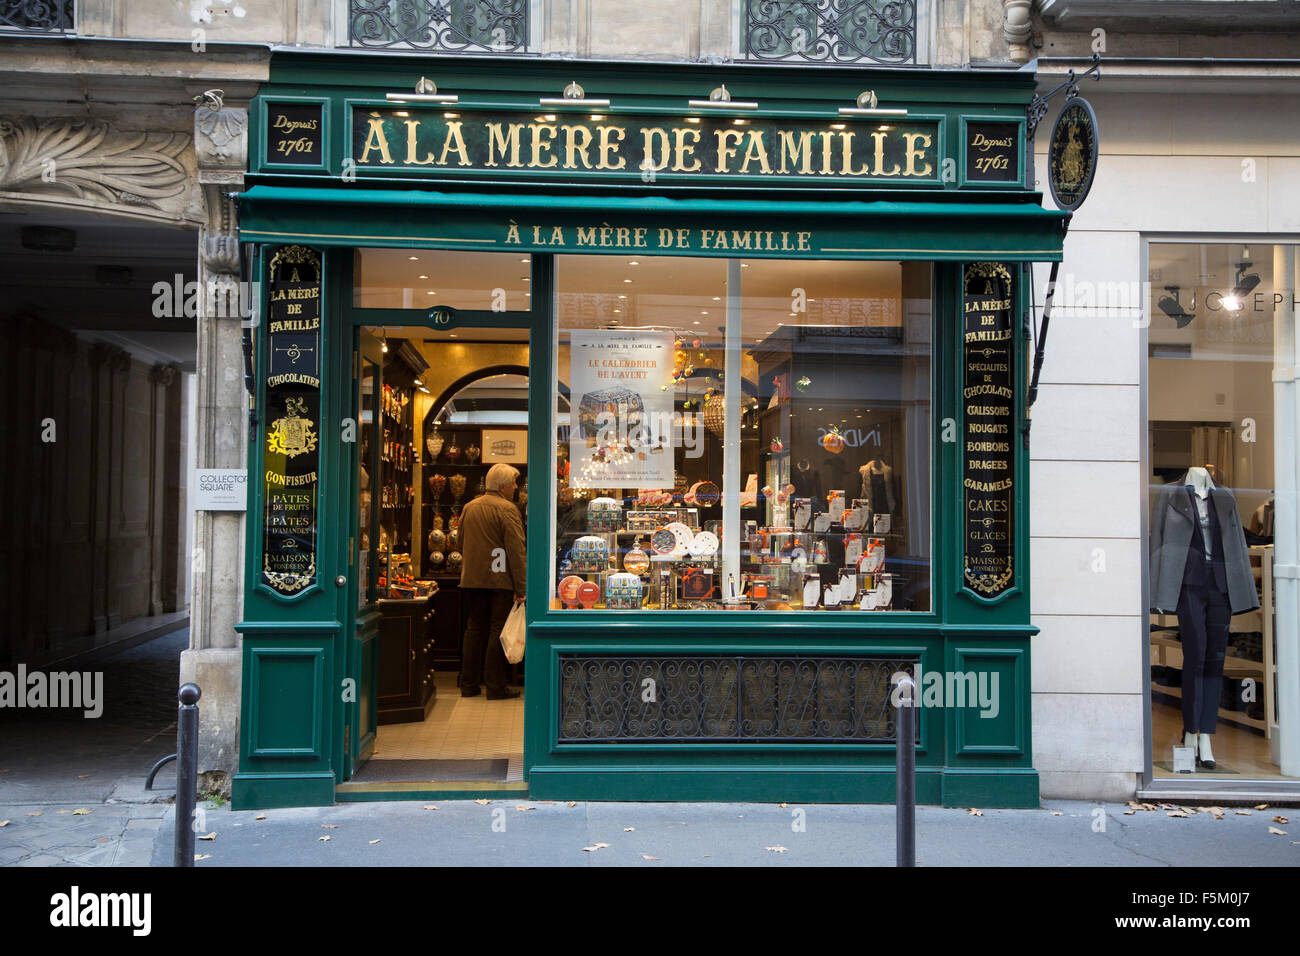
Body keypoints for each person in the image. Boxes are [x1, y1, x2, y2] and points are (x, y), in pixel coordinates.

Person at [457, 463, 526, 699]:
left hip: (471, 579)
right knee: (498, 630)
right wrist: (522, 586)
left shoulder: (469, 507)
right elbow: (516, 551)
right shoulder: (508, 509)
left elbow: (460, 542)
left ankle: (468, 685)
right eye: (514, 483)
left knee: (474, 629)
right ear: (503, 486)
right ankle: (495, 686)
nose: (516, 487)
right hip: (500, 581)